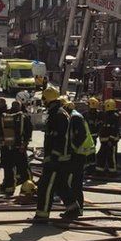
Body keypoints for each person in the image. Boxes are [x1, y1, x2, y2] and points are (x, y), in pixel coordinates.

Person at [34, 86, 70, 222]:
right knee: (60, 185)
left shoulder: (59, 115)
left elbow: (60, 138)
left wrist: (53, 157)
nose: (43, 102)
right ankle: (73, 208)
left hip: (57, 159)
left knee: (46, 186)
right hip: (55, 158)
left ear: (48, 99)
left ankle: (42, 215)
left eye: (44, 99)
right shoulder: (55, 113)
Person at [60, 98, 94, 219]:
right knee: (74, 183)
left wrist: (72, 148)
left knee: (74, 183)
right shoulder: (73, 116)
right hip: (78, 153)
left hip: (78, 154)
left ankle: (76, 209)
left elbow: (81, 136)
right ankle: (76, 209)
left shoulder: (75, 117)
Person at [0, 100, 33, 195]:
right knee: (24, 169)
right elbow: (28, 131)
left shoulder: (4, 117)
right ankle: (28, 189)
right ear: (20, 107)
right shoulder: (24, 117)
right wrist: (24, 144)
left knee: (8, 169)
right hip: (19, 149)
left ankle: (9, 189)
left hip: (6, 148)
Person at [96, 98, 120, 175]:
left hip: (111, 142)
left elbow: (115, 130)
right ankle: (100, 171)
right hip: (104, 141)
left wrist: (111, 140)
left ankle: (112, 172)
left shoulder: (114, 116)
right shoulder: (105, 115)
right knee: (101, 156)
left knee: (111, 157)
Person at [84, 97, 101, 173]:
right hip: (93, 137)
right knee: (92, 152)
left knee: (88, 153)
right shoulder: (99, 114)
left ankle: (89, 168)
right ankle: (92, 167)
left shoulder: (86, 115)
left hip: (88, 137)